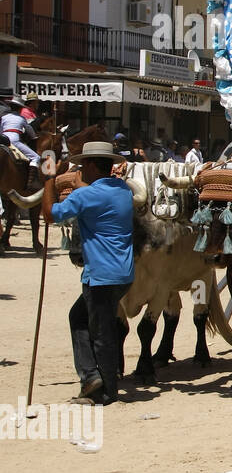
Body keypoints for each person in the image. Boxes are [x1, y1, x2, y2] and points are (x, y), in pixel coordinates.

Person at [41, 141, 136, 405]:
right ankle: (92, 376)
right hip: (123, 274)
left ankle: (105, 391)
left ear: (93, 166)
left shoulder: (86, 197)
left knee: (101, 332)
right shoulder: (122, 190)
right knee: (81, 318)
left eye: (83, 165)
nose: (80, 170)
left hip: (101, 276)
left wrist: (49, 179)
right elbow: (94, 192)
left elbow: (50, 214)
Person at [0, 96, 40, 167]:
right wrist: (34, 137)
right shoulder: (22, 118)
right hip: (15, 140)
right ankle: (31, 178)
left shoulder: (4, 117)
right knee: (36, 157)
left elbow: (1, 130)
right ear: (20, 108)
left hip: (3, 140)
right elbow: (29, 129)